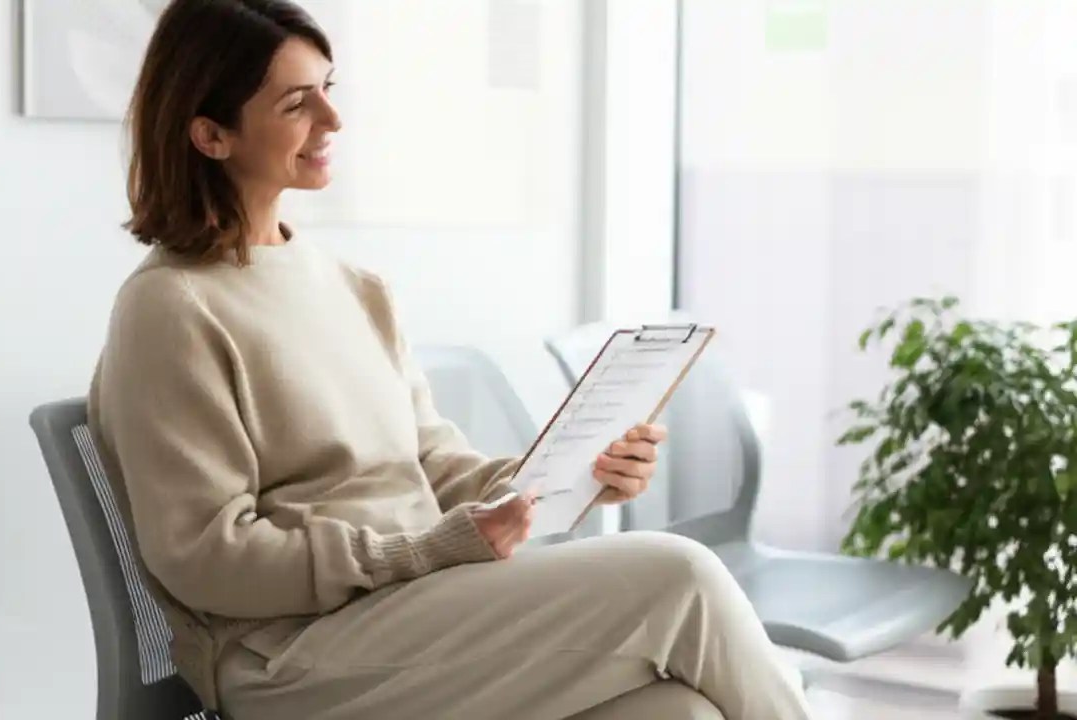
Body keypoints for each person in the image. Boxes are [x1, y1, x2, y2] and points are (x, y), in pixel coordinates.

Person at [87, 1, 814, 718]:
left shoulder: (354, 289)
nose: (333, 123)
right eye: (297, 104)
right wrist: (418, 551)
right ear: (212, 135)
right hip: (294, 655)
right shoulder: (170, 310)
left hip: (420, 610)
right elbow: (210, 556)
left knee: (678, 710)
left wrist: (575, 476)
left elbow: (435, 466)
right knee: (680, 576)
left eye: (328, 92)